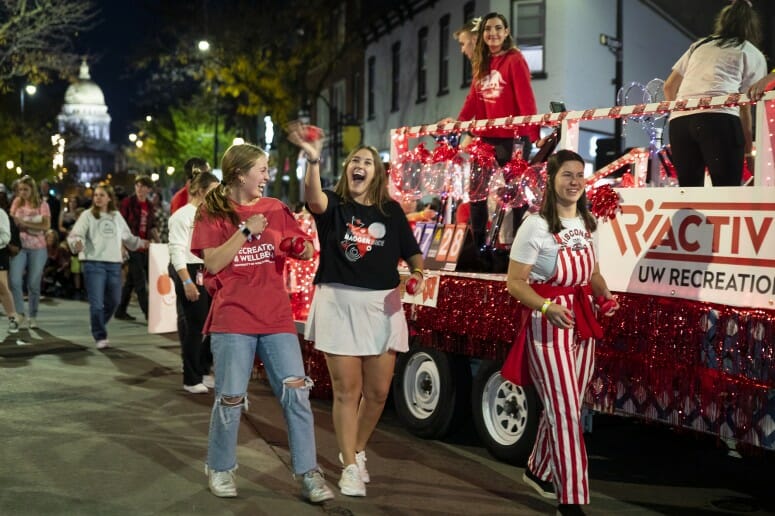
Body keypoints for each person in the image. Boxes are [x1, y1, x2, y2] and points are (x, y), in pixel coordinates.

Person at [189, 143, 334, 504]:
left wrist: (301, 249)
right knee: (231, 397)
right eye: (262, 169)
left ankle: (308, 473)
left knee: (297, 393)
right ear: (240, 173)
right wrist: (245, 231)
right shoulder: (213, 210)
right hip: (233, 317)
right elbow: (214, 264)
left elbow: (301, 246)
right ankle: (220, 467)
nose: (267, 175)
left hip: (275, 317)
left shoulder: (275, 208)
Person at [287, 122, 425, 497]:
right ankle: (349, 465)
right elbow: (313, 198)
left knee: (378, 392)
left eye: (367, 161)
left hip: (383, 306)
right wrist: (313, 160)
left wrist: (417, 273)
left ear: (377, 173)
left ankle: (358, 449)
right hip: (338, 302)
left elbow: (412, 251)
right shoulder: (334, 205)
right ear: (348, 169)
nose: (359, 165)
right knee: (348, 391)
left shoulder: (392, 212)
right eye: (354, 161)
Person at [505, 150, 619, 516]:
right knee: (566, 411)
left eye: (580, 176)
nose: (574, 182)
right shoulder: (535, 226)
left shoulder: (588, 223)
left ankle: (538, 471)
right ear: (551, 180)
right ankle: (571, 500)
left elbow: (593, 272)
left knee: (566, 404)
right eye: (567, 175)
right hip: (548, 323)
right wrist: (545, 307)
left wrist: (604, 294)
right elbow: (515, 283)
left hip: (582, 321)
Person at [443, 12, 539, 251]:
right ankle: (479, 249)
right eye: (488, 29)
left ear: (506, 32)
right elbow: (473, 100)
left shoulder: (514, 59)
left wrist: (533, 135)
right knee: (476, 193)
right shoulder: (481, 63)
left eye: (498, 28)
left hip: (513, 138)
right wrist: (459, 122)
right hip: (485, 138)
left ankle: (519, 249)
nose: (493, 33)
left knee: (516, 197)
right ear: (483, 35)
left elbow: (526, 100)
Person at [663, 0, 766, 187]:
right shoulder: (751, 53)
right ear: (752, 26)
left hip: (680, 122)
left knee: (689, 192)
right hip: (720, 120)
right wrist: (748, 152)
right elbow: (745, 106)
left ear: (723, 21)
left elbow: (669, 87)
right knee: (726, 190)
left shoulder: (699, 45)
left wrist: (680, 113)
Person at [67, 183, 148, 349]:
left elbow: (128, 237)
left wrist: (141, 243)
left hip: (113, 264)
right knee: (97, 303)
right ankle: (100, 335)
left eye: (101, 195)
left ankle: (98, 323)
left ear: (109, 198)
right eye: (95, 195)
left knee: (114, 300)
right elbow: (75, 235)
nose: (97, 198)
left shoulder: (116, 216)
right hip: (93, 263)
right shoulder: (87, 215)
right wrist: (76, 244)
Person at [168, 170, 219, 394]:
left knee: (212, 324)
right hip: (188, 269)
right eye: (214, 191)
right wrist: (186, 281)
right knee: (196, 326)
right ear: (200, 190)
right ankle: (191, 377)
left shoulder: (211, 214)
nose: (219, 195)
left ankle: (203, 369)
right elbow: (176, 251)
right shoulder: (181, 216)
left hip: (206, 269)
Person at [9, 175, 50, 329]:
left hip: (38, 248)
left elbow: (46, 226)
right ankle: (20, 313)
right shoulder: (16, 203)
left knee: (33, 283)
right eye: (20, 189)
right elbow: (12, 223)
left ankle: (33, 315)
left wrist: (24, 223)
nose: (22, 192)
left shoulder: (42, 204)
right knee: (14, 281)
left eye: (25, 189)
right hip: (20, 247)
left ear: (32, 189)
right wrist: (31, 224)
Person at [114, 175, 157, 321]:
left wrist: (159, 243)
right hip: (131, 246)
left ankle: (120, 310)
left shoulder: (150, 206)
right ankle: (149, 313)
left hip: (145, 246)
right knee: (140, 282)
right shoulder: (127, 203)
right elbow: (120, 225)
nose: (140, 189)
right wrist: (121, 246)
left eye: (143, 186)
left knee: (131, 281)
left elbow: (152, 227)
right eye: (137, 186)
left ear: (149, 189)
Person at [0, 205, 20, 332]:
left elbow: (6, 236)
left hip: (0, 252)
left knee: (2, 286)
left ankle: (13, 318)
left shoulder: (1, 213)